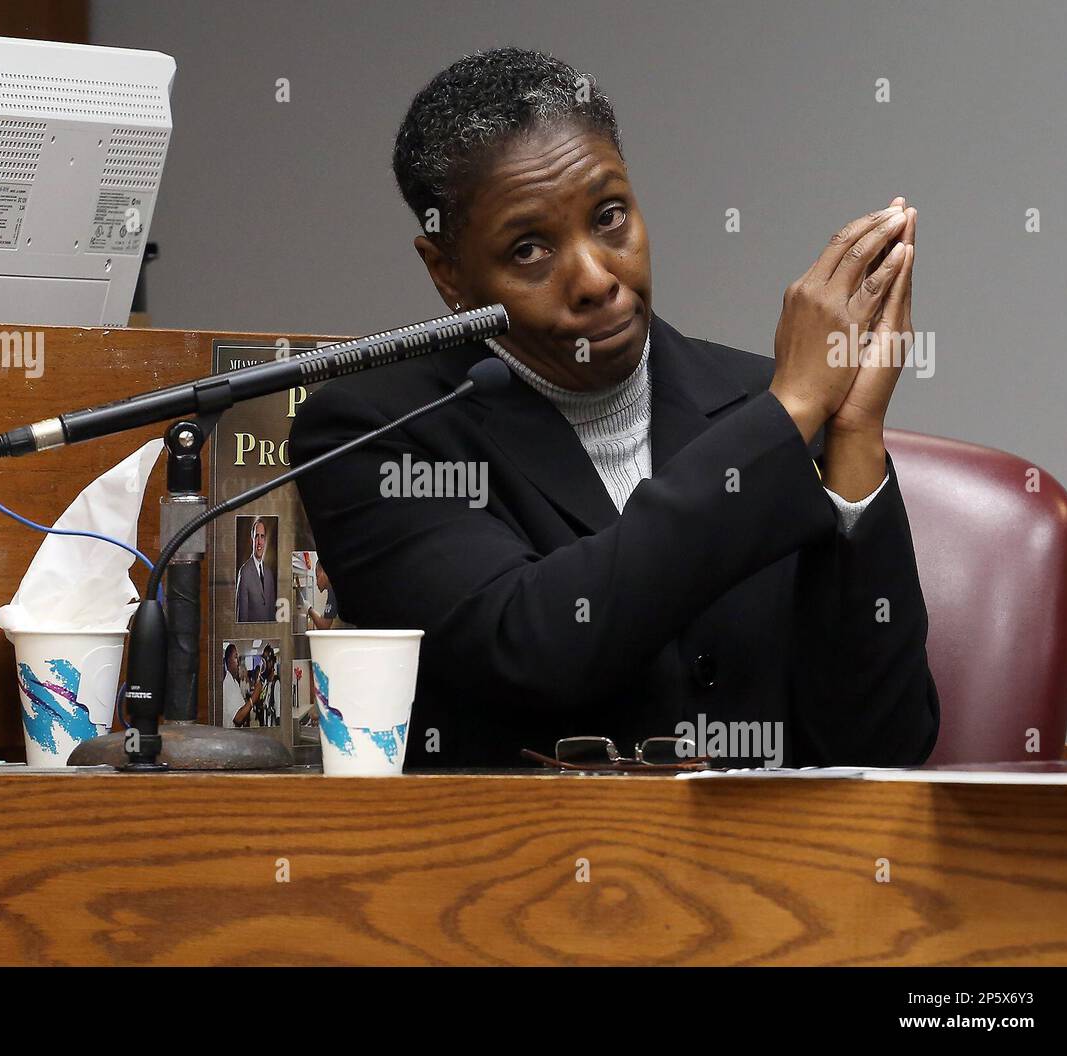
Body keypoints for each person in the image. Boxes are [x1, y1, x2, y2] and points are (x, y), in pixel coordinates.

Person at [288, 47, 939, 770]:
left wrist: (851, 435)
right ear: (448, 274)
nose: (596, 277)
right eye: (531, 249)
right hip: (526, 873)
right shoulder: (378, 435)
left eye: (609, 217)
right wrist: (790, 414)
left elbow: (885, 748)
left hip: (766, 874)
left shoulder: (775, 409)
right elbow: (534, 645)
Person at [235, 516, 276, 622]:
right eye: (256, 536)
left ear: (265, 540)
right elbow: (242, 617)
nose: (259, 542)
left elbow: (272, 613)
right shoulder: (244, 572)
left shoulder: (269, 573)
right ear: (251, 540)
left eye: (262, 537)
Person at [221, 642, 252, 728]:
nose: (238, 661)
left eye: (238, 658)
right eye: (235, 657)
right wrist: (253, 699)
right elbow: (238, 719)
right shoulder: (227, 684)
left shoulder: (234, 683)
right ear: (228, 661)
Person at [306, 560, 338, 630]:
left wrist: (308, 609)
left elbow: (324, 626)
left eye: (317, 576)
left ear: (324, 572)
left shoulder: (333, 589)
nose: (317, 583)